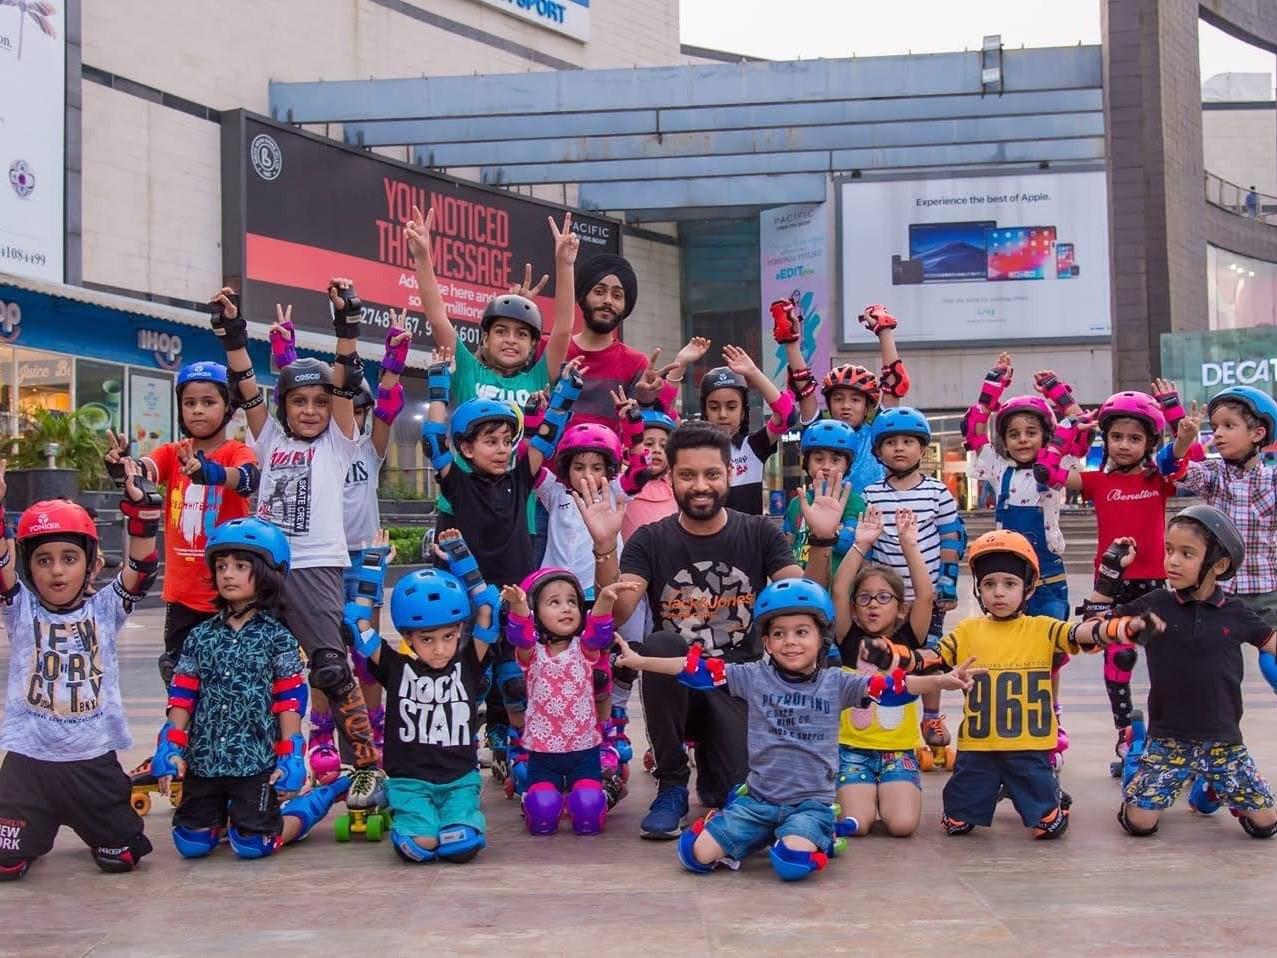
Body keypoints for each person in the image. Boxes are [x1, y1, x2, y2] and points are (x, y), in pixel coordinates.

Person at [581, 420, 849, 839]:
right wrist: (603, 548)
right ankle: (671, 783)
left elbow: (803, 597)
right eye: (687, 475)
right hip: (678, 684)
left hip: (737, 684)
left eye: (711, 474)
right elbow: (619, 611)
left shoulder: (759, 533)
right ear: (670, 478)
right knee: (661, 642)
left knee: (728, 794)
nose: (700, 485)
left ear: (730, 474)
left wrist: (822, 540)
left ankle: (711, 764)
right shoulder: (649, 540)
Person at [614, 578, 978, 880]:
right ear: (767, 642)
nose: (791, 642)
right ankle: (757, 832)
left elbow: (893, 689)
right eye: (780, 634)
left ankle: (822, 831)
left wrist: (942, 681)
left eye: (802, 632)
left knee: (791, 865)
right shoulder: (753, 676)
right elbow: (694, 669)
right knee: (695, 856)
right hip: (758, 800)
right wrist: (641, 660)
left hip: (809, 804)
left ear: (821, 638)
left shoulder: (837, 683)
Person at [209, 280, 385, 815]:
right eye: (297, 401)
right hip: (264, 567)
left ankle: (364, 769)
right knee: (250, 670)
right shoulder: (270, 439)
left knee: (331, 667)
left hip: (315, 568)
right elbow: (243, 384)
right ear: (284, 406)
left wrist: (346, 323)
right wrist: (233, 331)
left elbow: (344, 381)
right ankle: (249, 766)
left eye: (317, 402)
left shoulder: (338, 439)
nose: (309, 410)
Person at [891, 530, 1162, 839]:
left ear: (1028, 589)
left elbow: (1081, 635)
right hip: (978, 750)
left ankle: (1050, 799)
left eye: (1010, 584)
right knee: (955, 824)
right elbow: (932, 656)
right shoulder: (967, 631)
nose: (999, 593)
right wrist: (896, 655)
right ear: (978, 590)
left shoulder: (1042, 629)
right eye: (989, 584)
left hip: (1030, 750)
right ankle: (993, 792)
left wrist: (1124, 629)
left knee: (1048, 828)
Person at [148, 517, 351, 859]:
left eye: (240, 566)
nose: (227, 574)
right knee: (191, 844)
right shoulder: (200, 636)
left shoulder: (278, 638)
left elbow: (289, 701)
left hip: (255, 761)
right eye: (222, 565)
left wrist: (290, 756)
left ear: (268, 574)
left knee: (254, 845)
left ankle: (323, 796)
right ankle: (225, 815)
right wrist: (170, 745)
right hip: (204, 761)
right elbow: (183, 694)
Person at [0, 458, 162, 880]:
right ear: (29, 568)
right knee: (6, 864)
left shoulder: (106, 609)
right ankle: (35, 830)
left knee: (122, 857)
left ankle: (91, 825)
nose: (56, 570)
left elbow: (141, 570)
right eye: (44, 560)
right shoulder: (21, 609)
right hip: (28, 763)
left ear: (90, 564)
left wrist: (143, 513)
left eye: (69, 558)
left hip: (91, 759)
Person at [422, 345, 585, 758]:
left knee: (515, 676)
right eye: (489, 441)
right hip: (472, 594)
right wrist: (439, 383)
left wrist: (567, 390)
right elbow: (431, 439)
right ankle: (459, 745)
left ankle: (515, 743)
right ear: (466, 448)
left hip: (516, 594)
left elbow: (546, 435)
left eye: (505, 440)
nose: (501, 448)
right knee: (472, 672)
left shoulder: (520, 477)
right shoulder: (457, 482)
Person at [269, 315, 412, 773]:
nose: (360, 416)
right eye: (354, 408)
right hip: (322, 557)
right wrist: (286, 357)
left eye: (364, 410)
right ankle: (322, 734)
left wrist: (392, 362)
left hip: (362, 556)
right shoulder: (322, 438)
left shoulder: (369, 448)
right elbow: (300, 401)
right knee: (319, 651)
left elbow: (387, 406)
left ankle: (370, 726)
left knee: (364, 651)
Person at [1098, 508, 1277, 838]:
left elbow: (1272, 643)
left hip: (1223, 739)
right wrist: (1108, 577)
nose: (1173, 562)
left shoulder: (1236, 613)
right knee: (1140, 824)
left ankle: (1209, 790)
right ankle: (1137, 752)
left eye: (1187, 553)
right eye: (1169, 550)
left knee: (1265, 825)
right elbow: (1092, 630)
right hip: (1168, 738)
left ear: (1219, 565)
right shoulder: (1156, 605)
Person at [1050, 385, 1186, 770]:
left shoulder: (1157, 480)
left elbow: (1184, 456)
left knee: (1168, 665)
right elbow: (1048, 470)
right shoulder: (1099, 482)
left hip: (1155, 586)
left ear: (1149, 442)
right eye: (1116, 436)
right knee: (1118, 661)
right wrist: (1070, 414)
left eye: (1135, 438)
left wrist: (1175, 413)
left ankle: (1170, 738)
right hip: (1109, 588)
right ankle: (1125, 737)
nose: (1124, 445)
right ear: (1105, 439)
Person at [963, 353, 1088, 767]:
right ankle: (1011, 723)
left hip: (1049, 574)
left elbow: (1081, 427)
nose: (1021, 439)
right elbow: (974, 431)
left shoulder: (1057, 467)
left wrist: (1058, 393)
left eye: (1031, 432)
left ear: (1045, 436)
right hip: (1007, 570)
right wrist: (992, 386)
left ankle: (1051, 720)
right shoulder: (997, 469)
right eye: (1013, 432)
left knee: (1049, 653)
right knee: (1004, 650)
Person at [346, 528, 499, 863]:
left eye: (448, 636)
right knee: (424, 845)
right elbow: (358, 625)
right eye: (427, 639)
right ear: (409, 637)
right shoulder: (396, 668)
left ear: (460, 631)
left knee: (460, 845)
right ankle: (403, 810)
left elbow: (488, 608)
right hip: (409, 782)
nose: (440, 649)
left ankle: (448, 817)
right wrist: (372, 569)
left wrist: (461, 559)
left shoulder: (468, 663)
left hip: (459, 781)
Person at [103, 361, 259, 688]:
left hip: (229, 596)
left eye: (208, 402)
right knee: (178, 681)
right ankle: (181, 739)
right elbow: (143, 470)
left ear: (228, 407)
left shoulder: (235, 451)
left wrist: (209, 473)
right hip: (182, 597)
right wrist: (121, 467)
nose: (198, 411)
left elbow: (247, 480)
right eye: (190, 403)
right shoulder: (173, 452)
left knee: (230, 685)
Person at [499, 570, 643, 835]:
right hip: (542, 754)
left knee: (588, 810)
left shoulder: (584, 649)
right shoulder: (531, 655)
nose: (566, 609)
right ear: (536, 613)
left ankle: (583, 800)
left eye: (572, 602)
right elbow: (520, 637)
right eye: (554, 602)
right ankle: (535, 801)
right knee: (543, 812)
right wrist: (519, 606)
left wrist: (605, 601)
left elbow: (598, 633)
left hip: (584, 749)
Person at [861, 407, 965, 759]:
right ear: (879, 451)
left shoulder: (937, 492)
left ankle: (931, 717)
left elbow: (952, 538)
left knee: (929, 654)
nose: (900, 448)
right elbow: (869, 542)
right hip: (887, 597)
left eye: (908, 442)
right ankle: (887, 711)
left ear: (922, 449)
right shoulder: (872, 493)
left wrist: (948, 582)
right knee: (889, 657)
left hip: (929, 593)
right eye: (891, 443)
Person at [831, 506, 938, 837]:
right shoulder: (849, 637)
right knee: (858, 826)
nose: (873, 604)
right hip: (852, 751)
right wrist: (860, 544)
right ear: (853, 607)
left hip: (899, 752)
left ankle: (890, 793)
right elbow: (837, 589)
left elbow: (926, 594)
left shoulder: (908, 638)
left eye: (882, 597)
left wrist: (909, 545)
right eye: (864, 598)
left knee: (902, 825)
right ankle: (862, 796)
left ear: (899, 607)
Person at [1169, 385, 1277, 628]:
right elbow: (1173, 470)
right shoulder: (1213, 474)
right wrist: (1182, 443)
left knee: (1272, 664)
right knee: (1217, 661)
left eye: (1228, 426)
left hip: (1267, 590)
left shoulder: (1272, 480)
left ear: (1257, 434)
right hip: (1219, 589)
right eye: (1215, 426)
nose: (1217, 433)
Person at [788, 304, 911, 495]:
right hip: (827, 518)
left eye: (855, 400)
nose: (846, 406)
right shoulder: (819, 432)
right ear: (829, 404)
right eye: (838, 399)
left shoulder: (877, 434)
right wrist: (790, 341)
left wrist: (884, 331)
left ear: (867, 406)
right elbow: (802, 387)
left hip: (874, 518)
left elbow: (895, 384)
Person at [699, 346, 798, 515]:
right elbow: (667, 414)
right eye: (714, 407)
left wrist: (753, 373)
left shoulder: (753, 446)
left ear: (743, 411)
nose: (723, 415)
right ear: (705, 411)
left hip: (749, 539)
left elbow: (787, 415)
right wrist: (680, 365)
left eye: (731, 407)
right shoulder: (694, 450)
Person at [782, 419, 865, 570]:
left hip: (837, 587)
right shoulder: (796, 502)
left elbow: (847, 544)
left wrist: (826, 531)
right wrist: (838, 529)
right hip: (801, 582)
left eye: (835, 460)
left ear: (847, 466)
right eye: (819, 459)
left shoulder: (854, 502)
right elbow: (785, 546)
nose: (826, 466)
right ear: (807, 463)